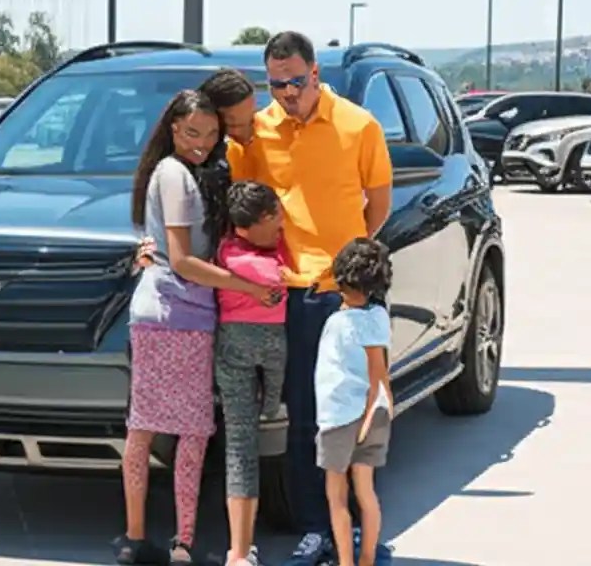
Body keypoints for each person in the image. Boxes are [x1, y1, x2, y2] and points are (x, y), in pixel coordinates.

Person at [199, 34, 394, 566]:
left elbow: (378, 204)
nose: (284, 92)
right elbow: (244, 210)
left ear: (314, 73)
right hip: (290, 295)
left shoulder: (359, 125)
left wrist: (350, 263)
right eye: (274, 83)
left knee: (356, 416)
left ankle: (355, 531)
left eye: (293, 81)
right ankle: (316, 529)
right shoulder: (255, 132)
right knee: (307, 415)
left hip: (344, 295)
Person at [116, 89, 283, 566]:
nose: (202, 143)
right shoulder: (173, 174)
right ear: (172, 128)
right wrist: (248, 288)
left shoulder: (187, 173)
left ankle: (141, 539)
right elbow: (186, 261)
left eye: (211, 134)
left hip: (168, 311)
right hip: (176, 314)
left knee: (150, 428)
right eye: (192, 133)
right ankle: (177, 543)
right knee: (183, 432)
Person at [215, 180, 290, 566]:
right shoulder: (270, 261)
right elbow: (283, 278)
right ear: (259, 220)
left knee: (239, 447)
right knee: (270, 405)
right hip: (270, 340)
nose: (282, 223)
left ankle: (238, 552)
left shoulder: (225, 252)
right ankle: (272, 406)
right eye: (277, 216)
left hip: (229, 345)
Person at [316, 238, 394, 566]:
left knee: (336, 497)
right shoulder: (378, 316)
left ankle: (346, 562)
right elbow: (380, 372)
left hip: (340, 415)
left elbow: (372, 368)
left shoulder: (337, 322)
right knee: (366, 492)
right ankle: (367, 558)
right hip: (375, 412)